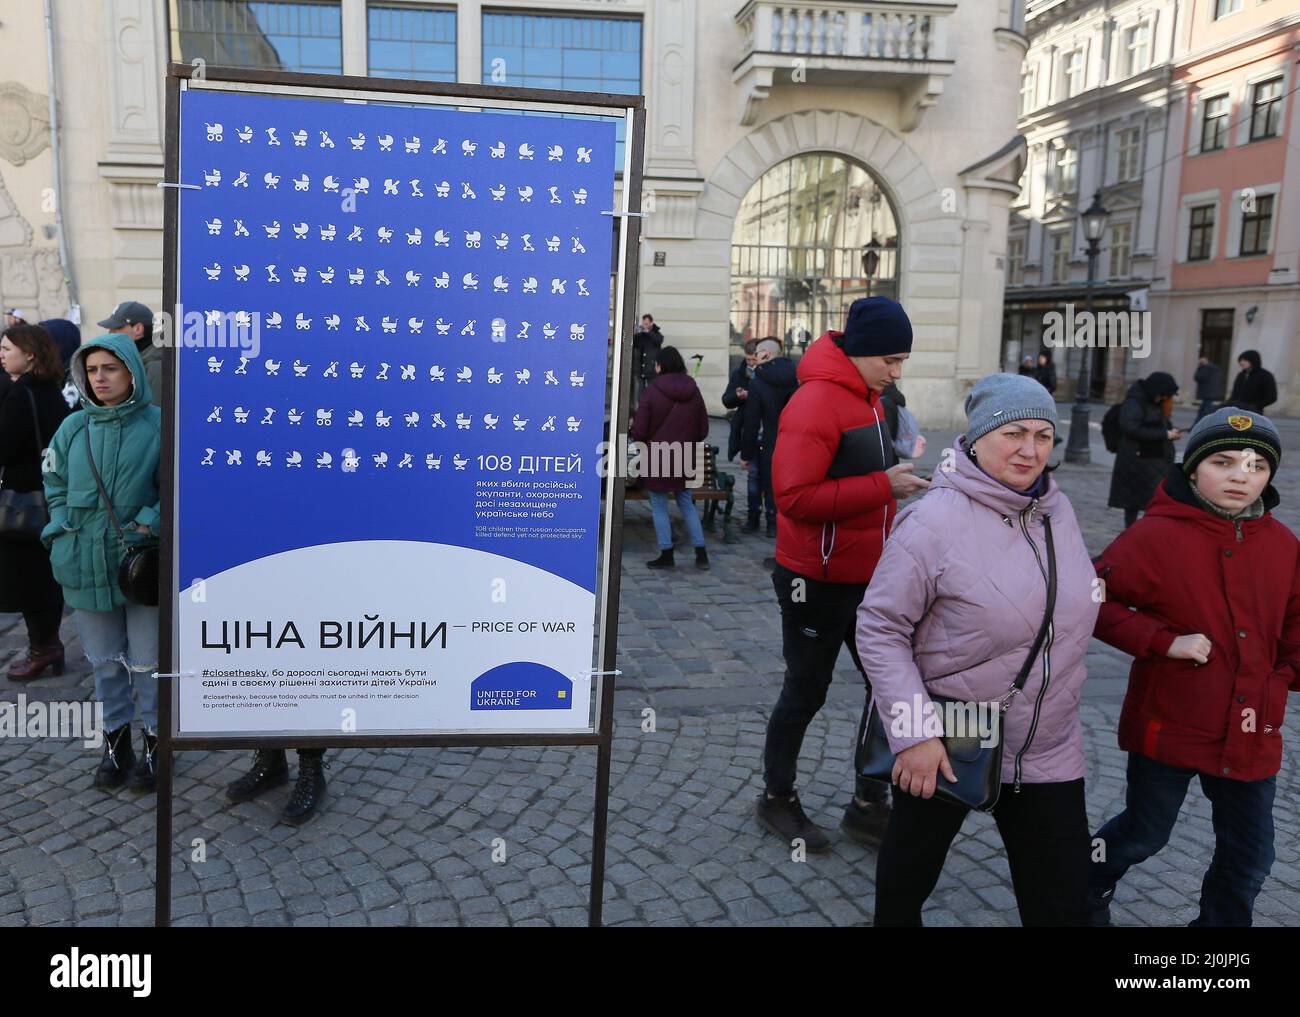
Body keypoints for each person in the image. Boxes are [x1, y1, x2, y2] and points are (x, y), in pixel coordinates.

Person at [857, 374, 1100, 926]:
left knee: (1062, 902)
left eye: (1043, 435)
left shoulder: (1056, 511)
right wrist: (914, 732)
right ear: (978, 436)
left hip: (1048, 742)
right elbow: (879, 627)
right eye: (1014, 432)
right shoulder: (932, 520)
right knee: (905, 885)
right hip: (951, 734)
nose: (1030, 450)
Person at [1088, 408, 1299, 927]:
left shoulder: (1283, 543)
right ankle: (1080, 883)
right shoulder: (1155, 535)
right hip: (1171, 721)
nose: (1240, 475)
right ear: (1192, 468)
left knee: (1250, 857)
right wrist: (1162, 641)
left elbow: (1296, 617)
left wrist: (1285, 675)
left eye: (1256, 465)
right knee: (1143, 832)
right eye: (1223, 461)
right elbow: (1091, 599)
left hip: (1252, 728)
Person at [756, 297, 929, 852]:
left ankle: (867, 803)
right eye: (891, 359)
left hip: (872, 577)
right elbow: (793, 496)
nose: (898, 371)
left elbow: (870, 478)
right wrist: (886, 486)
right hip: (816, 579)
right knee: (806, 690)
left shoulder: (873, 399)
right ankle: (776, 799)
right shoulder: (814, 403)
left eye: (903, 360)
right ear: (860, 352)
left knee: (890, 686)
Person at [40, 334, 161, 792]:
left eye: (110, 368)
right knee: (105, 663)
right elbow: (51, 479)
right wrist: (60, 528)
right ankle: (116, 744)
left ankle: (155, 745)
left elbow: (176, 487)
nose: (100, 378)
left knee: (148, 663)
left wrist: (150, 522)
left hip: (140, 566)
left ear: (131, 370)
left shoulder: (157, 425)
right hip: (83, 563)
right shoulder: (72, 428)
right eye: (92, 370)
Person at [0, 325, 73, 680]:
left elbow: (6, 448)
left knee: (28, 579)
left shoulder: (21, 395)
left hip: (23, 502)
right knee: (46, 576)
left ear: (29, 354)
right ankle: (48, 646)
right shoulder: (50, 390)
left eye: (7, 348)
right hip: (51, 496)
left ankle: (43, 649)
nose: (1, 354)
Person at [630, 345, 710, 570]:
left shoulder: (652, 391)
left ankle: (666, 553)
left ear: (660, 366)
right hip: (684, 456)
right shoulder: (693, 390)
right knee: (686, 504)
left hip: (657, 456)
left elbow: (640, 430)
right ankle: (701, 553)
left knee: (659, 506)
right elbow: (703, 427)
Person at [739, 338, 798, 537]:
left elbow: (752, 421)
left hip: (764, 442)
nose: (755, 357)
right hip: (790, 442)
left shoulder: (759, 380)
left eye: (757, 353)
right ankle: (774, 522)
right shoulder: (795, 376)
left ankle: (754, 519)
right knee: (779, 482)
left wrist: (745, 454)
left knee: (755, 478)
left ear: (767, 354)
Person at [1108, 371, 1181, 528]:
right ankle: (1131, 530)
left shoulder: (1153, 401)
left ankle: (1145, 531)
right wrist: (1164, 434)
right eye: (1164, 394)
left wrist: (1170, 432)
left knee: (1152, 498)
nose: (1165, 398)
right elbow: (1130, 427)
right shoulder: (1134, 402)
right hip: (1136, 458)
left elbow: (1159, 423)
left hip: (1152, 459)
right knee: (1133, 501)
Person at [723, 340, 762, 528]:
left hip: (766, 428)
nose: (751, 363)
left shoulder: (767, 375)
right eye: (748, 359)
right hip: (748, 429)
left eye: (754, 359)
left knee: (768, 477)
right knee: (753, 475)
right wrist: (737, 396)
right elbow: (726, 400)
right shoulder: (739, 374)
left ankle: (771, 519)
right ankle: (753, 516)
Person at [98, 300, 162, 401]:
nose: (110, 333)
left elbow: (156, 414)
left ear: (138, 329)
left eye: (117, 328)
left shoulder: (155, 367)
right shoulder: (133, 359)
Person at [39, 317, 83, 409]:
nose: (40, 347)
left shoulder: (77, 371)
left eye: (45, 342)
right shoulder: (53, 367)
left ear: (61, 344)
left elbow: (62, 409)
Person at [1227, 350, 1277, 414]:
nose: (1241, 363)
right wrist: (1227, 405)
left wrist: (1255, 406)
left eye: (1245, 360)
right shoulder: (1241, 375)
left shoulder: (1265, 375)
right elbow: (1234, 394)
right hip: (1236, 411)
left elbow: (1272, 397)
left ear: (1253, 360)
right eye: (1240, 360)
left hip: (1253, 413)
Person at [631, 313, 664, 406]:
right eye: (643, 323)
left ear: (651, 323)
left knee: (652, 390)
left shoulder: (656, 334)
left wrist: (648, 332)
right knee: (640, 392)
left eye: (646, 323)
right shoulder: (640, 335)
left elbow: (659, 340)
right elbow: (633, 343)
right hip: (640, 368)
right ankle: (641, 410)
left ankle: (652, 409)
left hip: (651, 368)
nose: (644, 325)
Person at [1193, 352, 1223, 422]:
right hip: (1211, 393)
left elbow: (1197, 377)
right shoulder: (1214, 368)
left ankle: (1202, 424)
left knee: (1206, 411)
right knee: (1203, 410)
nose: (1200, 361)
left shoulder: (1206, 368)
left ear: (1205, 359)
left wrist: (1199, 367)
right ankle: (1197, 424)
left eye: (1201, 360)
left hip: (1208, 393)